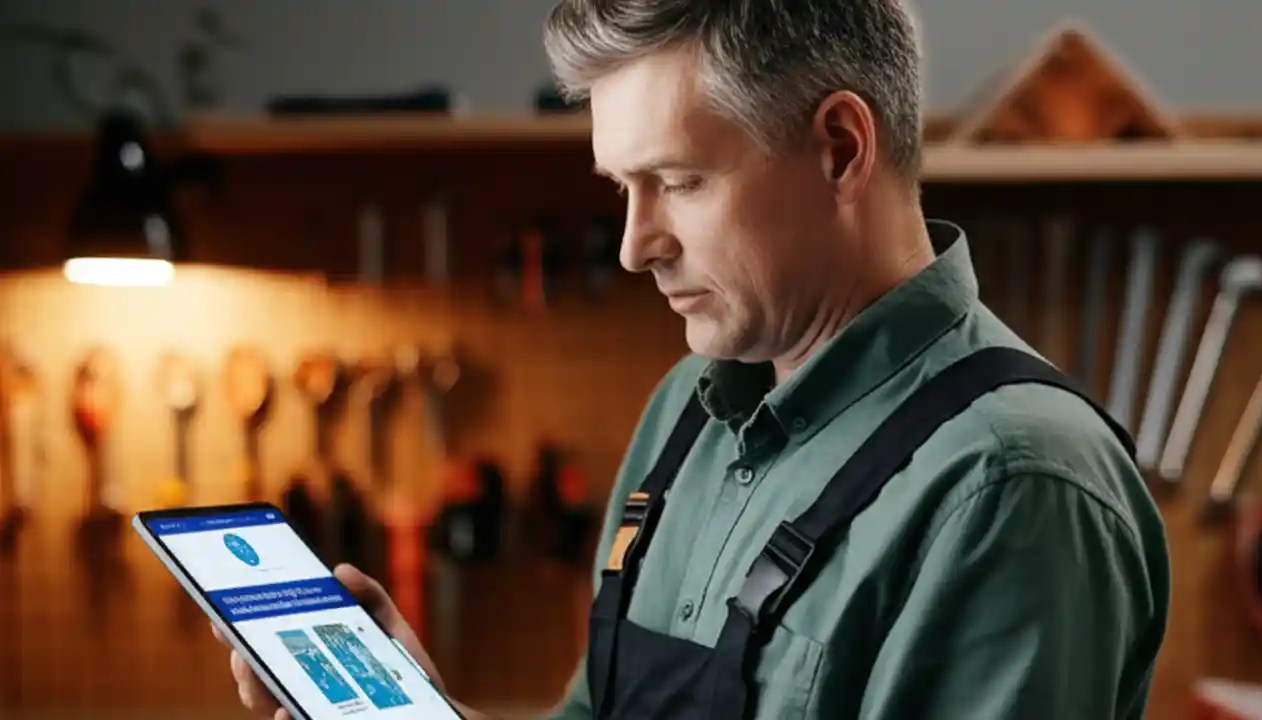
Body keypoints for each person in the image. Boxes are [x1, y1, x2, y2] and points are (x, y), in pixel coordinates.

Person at [221, 1, 1170, 717]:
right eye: (622, 189)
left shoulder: (1013, 485)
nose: (637, 245)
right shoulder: (690, 416)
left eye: (678, 182)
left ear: (841, 149)